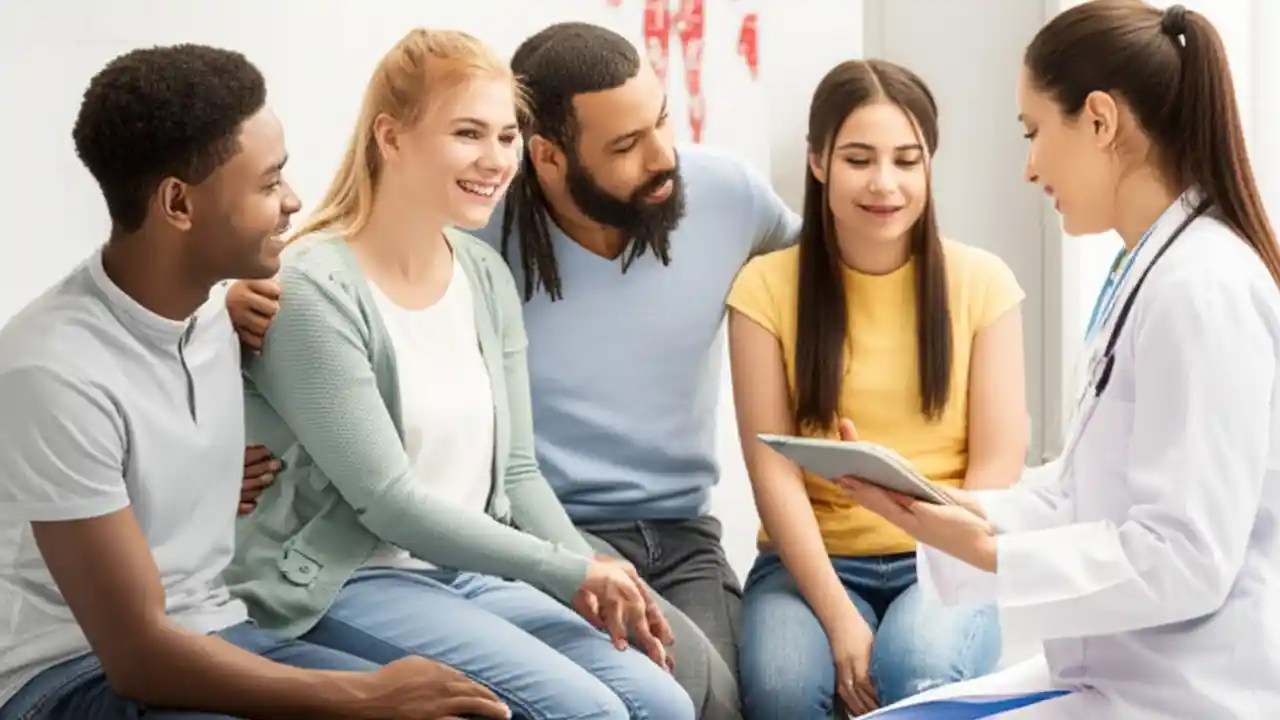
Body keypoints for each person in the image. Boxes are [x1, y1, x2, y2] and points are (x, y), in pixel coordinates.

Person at [229, 21, 800, 719]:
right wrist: (571, 567)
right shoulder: (310, 291)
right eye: (468, 133)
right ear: (390, 137)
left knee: (667, 704)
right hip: (351, 579)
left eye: (503, 137)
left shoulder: (482, 272)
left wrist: (590, 578)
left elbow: (519, 472)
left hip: (480, 570)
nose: (495, 160)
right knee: (596, 711)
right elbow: (390, 502)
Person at [0, 44, 508, 720]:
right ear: (178, 203)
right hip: (75, 674)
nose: (294, 202)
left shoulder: (217, 316)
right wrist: (363, 695)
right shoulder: (53, 371)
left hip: (221, 627)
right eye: (268, 185)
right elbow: (137, 655)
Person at [843, 3, 1280, 718]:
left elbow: (1187, 558)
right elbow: (1082, 493)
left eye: (1034, 131)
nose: (1029, 165)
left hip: (1185, 694)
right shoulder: (1152, 270)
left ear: (1101, 121)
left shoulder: (1203, 290)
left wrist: (991, 554)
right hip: (1118, 672)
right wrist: (939, 504)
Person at [726, 59, 1025, 719]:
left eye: (907, 160)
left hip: (943, 554)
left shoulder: (984, 283)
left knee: (915, 667)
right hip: (808, 566)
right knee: (781, 689)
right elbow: (772, 475)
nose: (885, 184)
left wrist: (947, 542)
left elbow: (998, 462)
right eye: (859, 159)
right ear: (818, 162)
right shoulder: (763, 290)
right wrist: (839, 620)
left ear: (929, 167)